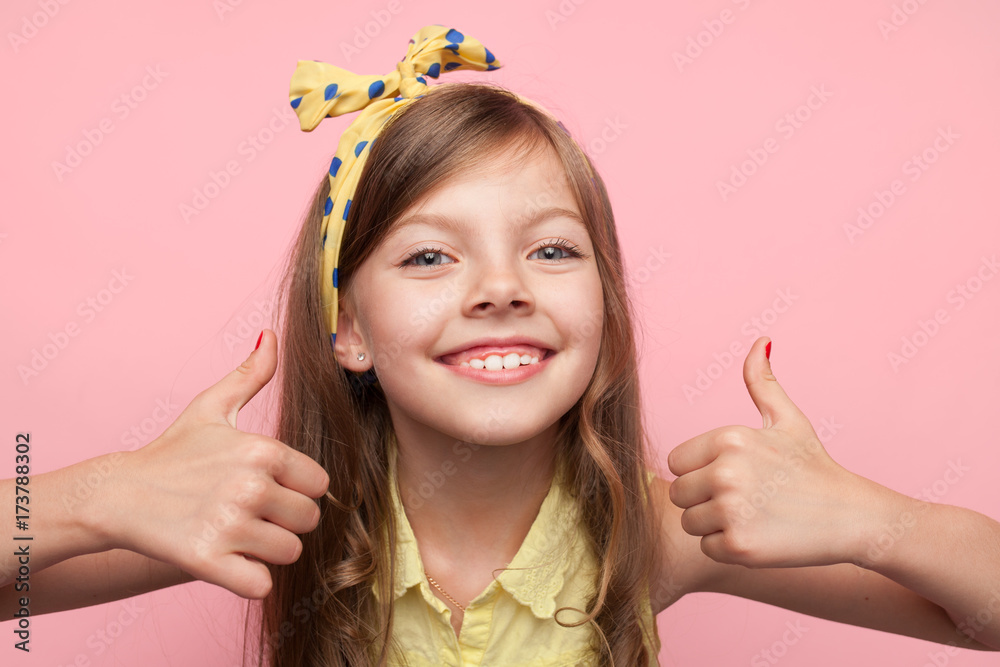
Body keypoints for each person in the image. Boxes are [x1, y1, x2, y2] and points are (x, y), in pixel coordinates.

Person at [2, 24, 999, 667]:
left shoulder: (652, 534)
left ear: (604, 306)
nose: (501, 288)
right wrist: (101, 494)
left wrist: (872, 519)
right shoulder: (284, 527)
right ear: (345, 326)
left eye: (552, 249)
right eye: (431, 256)